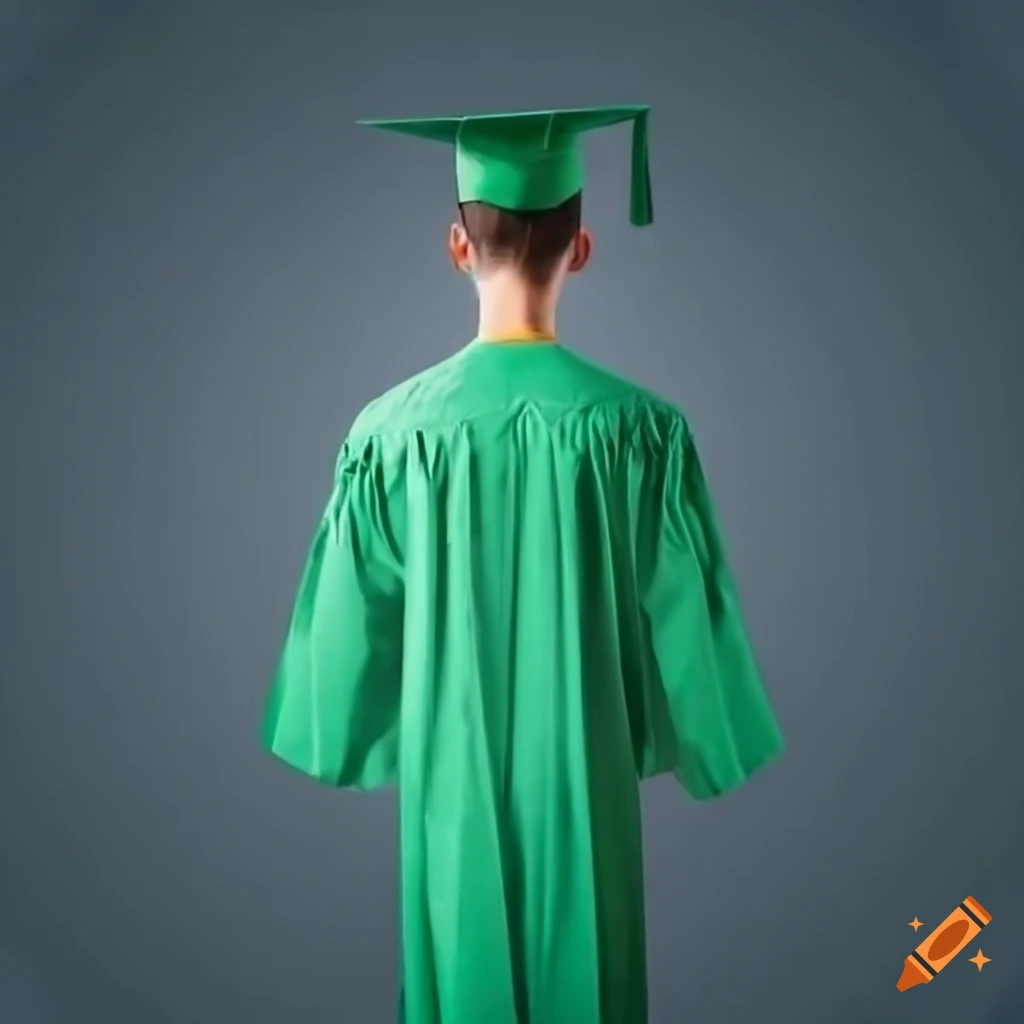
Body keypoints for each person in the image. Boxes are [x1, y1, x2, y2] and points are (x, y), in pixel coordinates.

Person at [262, 105, 785, 1024]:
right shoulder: (640, 431)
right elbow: (687, 624)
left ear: (456, 247)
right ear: (581, 248)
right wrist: (709, 733)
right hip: (587, 788)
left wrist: (343, 725)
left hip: (448, 788)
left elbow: (343, 649)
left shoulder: (389, 435)